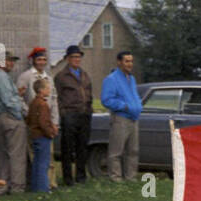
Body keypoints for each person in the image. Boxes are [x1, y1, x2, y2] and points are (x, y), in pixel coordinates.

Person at [0, 51, 28, 193]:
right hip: (10, 117)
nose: (11, 64)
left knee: (7, 154)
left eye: (12, 61)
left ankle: (2, 187)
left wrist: (16, 93)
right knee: (17, 155)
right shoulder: (1, 77)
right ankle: (17, 188)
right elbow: (9, 101)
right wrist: (20, 116)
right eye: (8, 61)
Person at [54, 45, 93, 186]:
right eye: (74, 57)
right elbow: (56, 97)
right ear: (67, 59)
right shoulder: (61, 76)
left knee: (82, 147)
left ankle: (81, 177)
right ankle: (68, 178)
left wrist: (89, 109)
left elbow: (90, 93)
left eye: (78, 57)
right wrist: (63, 114)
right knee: (68, 149)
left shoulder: (84, 74)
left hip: (84, 115)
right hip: (69, 115)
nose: (77, 59)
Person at [101, 50, 142, 181]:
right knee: (116, 151)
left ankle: (130, 177)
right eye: (127, 61)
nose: (130, 64)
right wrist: (124, 106)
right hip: (121, 118)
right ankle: (115, 177)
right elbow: (106, 100)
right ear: (119, 62)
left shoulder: (132, 78)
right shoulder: (111, 79)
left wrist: (137, 105)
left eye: (131, 61)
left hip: (134, 118)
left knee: (133, 150)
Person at [25, 77, 58, 193]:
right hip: (43, 136)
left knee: (37, 163)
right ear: (41, 90)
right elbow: (43, 123)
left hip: (35, 135)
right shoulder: (43, 104)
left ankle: (36, 187)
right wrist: (51, 133)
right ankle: (44, 188)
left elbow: (28, 119)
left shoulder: (33, 103)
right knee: (44, 164)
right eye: (47, 88)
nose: (49, 90)